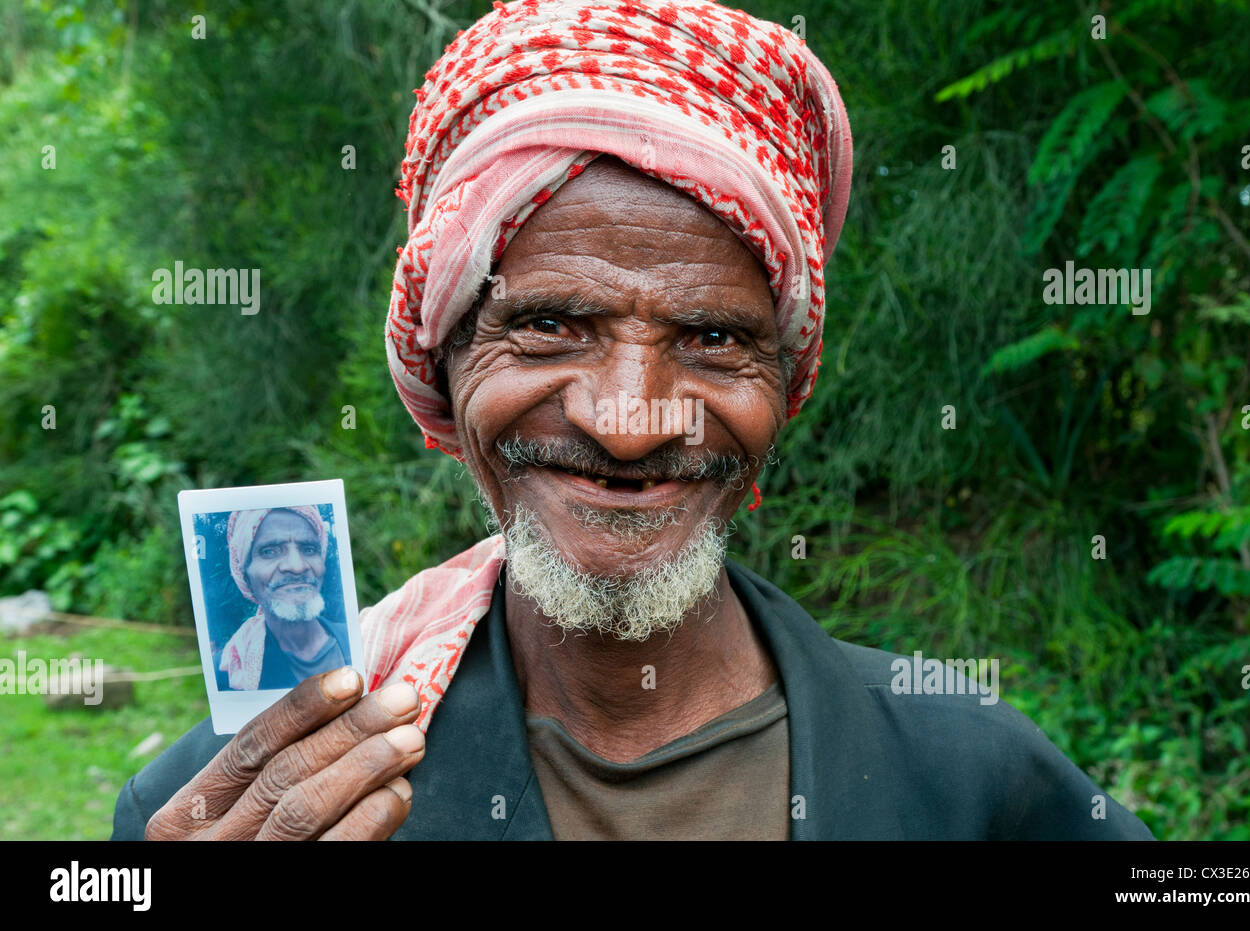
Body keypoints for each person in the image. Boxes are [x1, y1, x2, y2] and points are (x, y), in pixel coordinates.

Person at [111, 0, 1153, 841]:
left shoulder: (975, 783)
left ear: (784, 387)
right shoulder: (233, 802)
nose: (627, 422)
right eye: (550, 325)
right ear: (442, 356)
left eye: (711, 339)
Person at [214, 506, 350, 691]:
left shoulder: (360, 644)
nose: (296, 566)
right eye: (270, 551)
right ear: (244, 574)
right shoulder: (230, 670)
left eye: (309, 549)